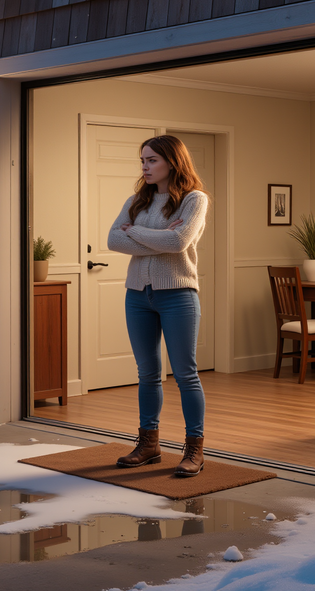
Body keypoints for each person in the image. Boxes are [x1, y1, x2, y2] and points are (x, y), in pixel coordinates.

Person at [107, 134, 209, 477]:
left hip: (178, 294)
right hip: (137, 295)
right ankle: (149, 445)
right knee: (147, 374)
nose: (145, 166)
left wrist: (134, 232)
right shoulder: (138, 199)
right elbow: (112, 239)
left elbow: (179, 241)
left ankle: (194, 449)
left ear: (171, 161)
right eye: (143, 160)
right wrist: (157, 236)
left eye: (151, 160)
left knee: (185, 375)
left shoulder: (195, 200)